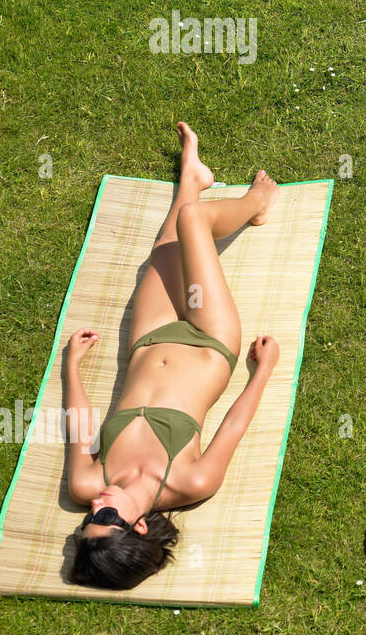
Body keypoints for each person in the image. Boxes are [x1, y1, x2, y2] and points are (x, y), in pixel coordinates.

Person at [65, 123, 280, 588]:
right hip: (209, 338)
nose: (94, 504)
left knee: (166, 249)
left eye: (86, 520)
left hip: (150, 337)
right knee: (192, 225)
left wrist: (72, 368)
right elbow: (233, 427)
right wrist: (262, 372)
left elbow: (80, 425)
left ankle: (193, 177)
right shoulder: (189, 483)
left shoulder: (87, 484)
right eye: (105, 516)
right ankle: (256, 203)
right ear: (138, 526)